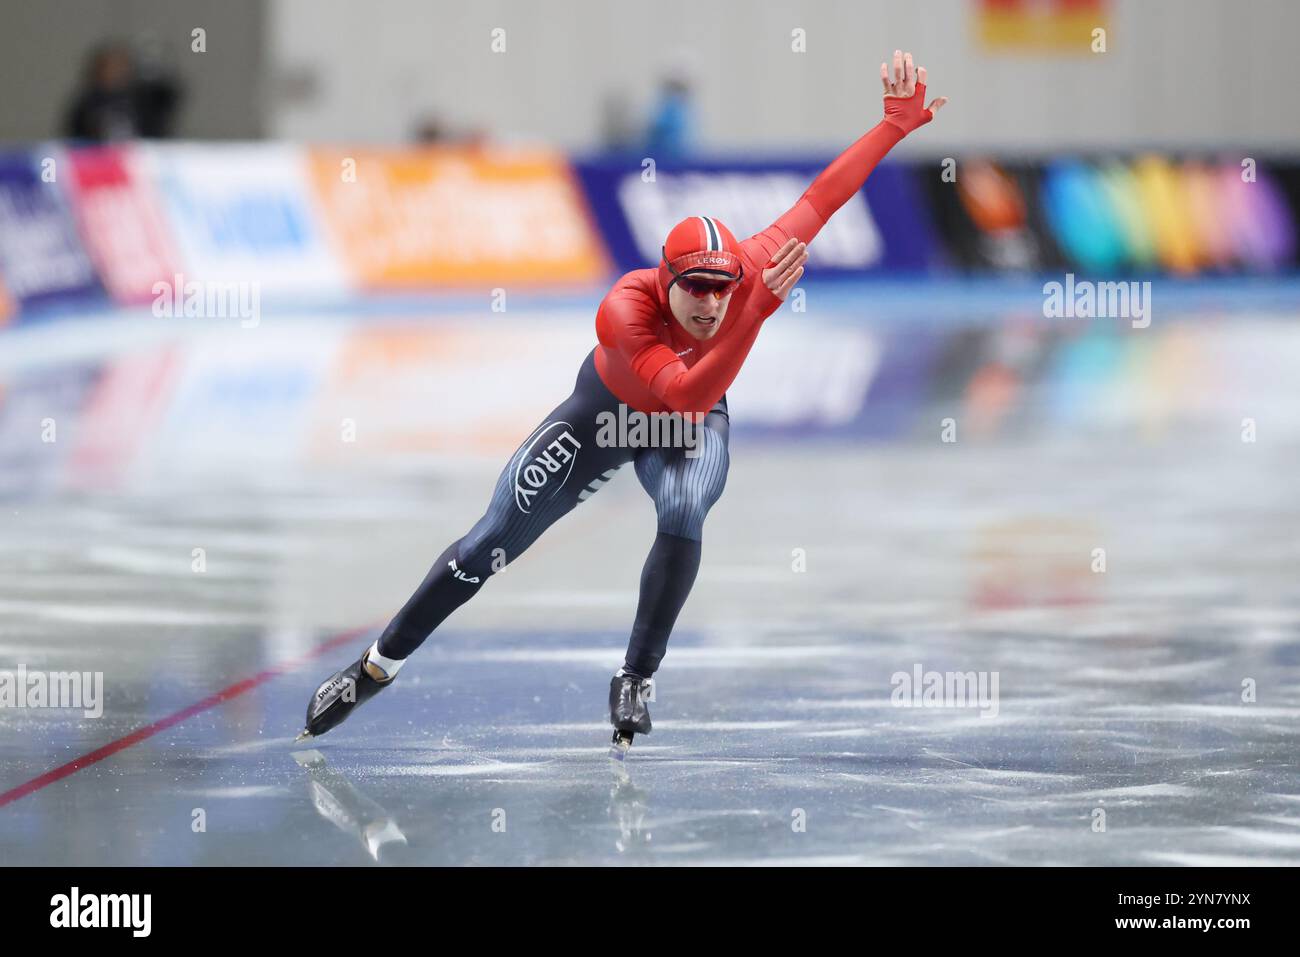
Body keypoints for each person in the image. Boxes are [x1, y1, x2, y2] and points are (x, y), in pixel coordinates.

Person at [300, 51, 947, 754]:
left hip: (688, 424)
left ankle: (637, 675)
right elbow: (682, 389)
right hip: (602, 420)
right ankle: (375, 667)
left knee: (683, 507)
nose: (708, 303)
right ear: (663, 279)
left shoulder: (748, 271)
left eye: (720, 289)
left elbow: (822, 198)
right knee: (486, 546)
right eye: (693, 288)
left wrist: (891, 127)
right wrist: (755, 312)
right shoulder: (626, 309)